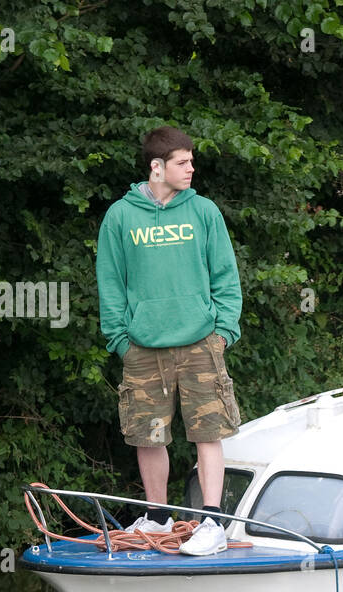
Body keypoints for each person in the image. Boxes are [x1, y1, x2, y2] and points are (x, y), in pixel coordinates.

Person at [97, 126, 243, 555]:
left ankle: (213, 522)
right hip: (142, 348)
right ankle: (159, 518)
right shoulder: (121, 217)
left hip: (200, 343)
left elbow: (225, 277)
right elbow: (110, 283)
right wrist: (121, 340)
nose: (191, 168)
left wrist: (222, 334)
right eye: (183, 162)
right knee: (149, 435)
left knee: (208, 432)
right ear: (156, 167)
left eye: (191, 160)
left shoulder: (204, 212)